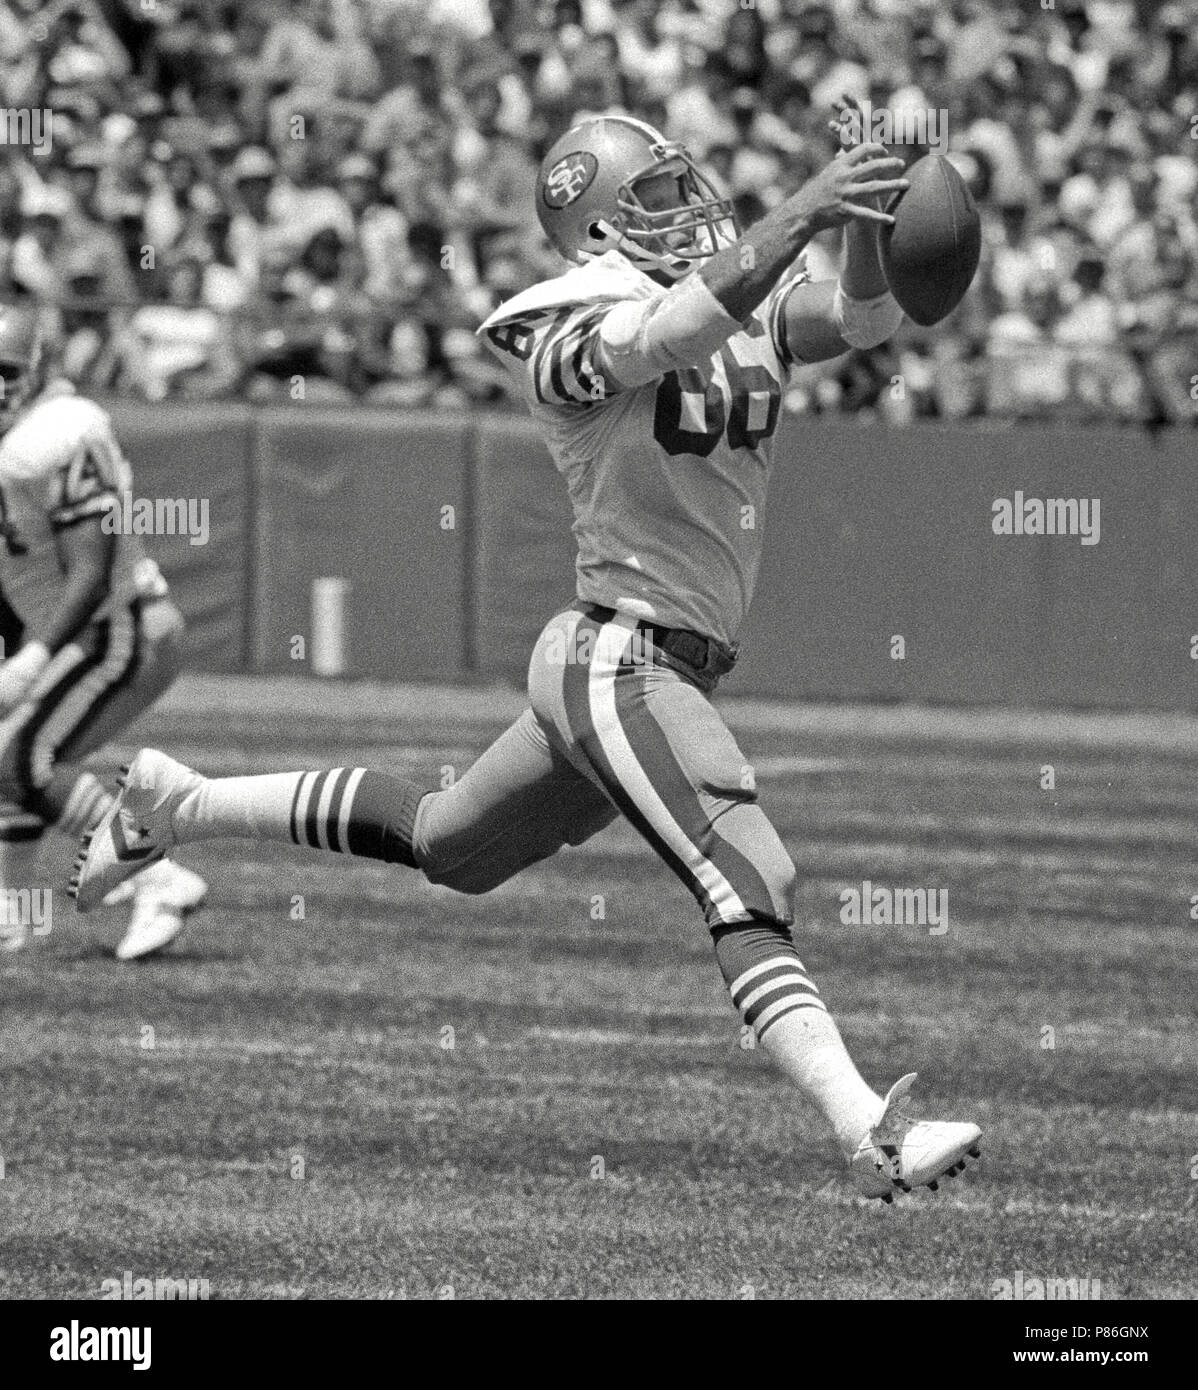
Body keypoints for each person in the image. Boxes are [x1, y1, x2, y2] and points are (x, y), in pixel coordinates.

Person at [72, 112, 980, 1198]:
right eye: (650, 197)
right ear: (596, 231)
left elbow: (865, 319)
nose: (682, 206)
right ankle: (867, 1132)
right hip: (619, 657)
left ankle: (180, 804)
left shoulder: (738, 302)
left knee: (448, 845)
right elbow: (665, 338)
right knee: (747, 870)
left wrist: (864, 218)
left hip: (653, 665)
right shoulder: (569, 327)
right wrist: (802, 209)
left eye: (678, 184)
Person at [0, 302, 205, 958]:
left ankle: (160, 877)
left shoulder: (57, 432)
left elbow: (92, 569)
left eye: (5, 370)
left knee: (23, 759)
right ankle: (16, 909)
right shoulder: (15, 442)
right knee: (14, 757)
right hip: (90, 629)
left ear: (38, 370)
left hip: (119, 624)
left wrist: (31, 661)